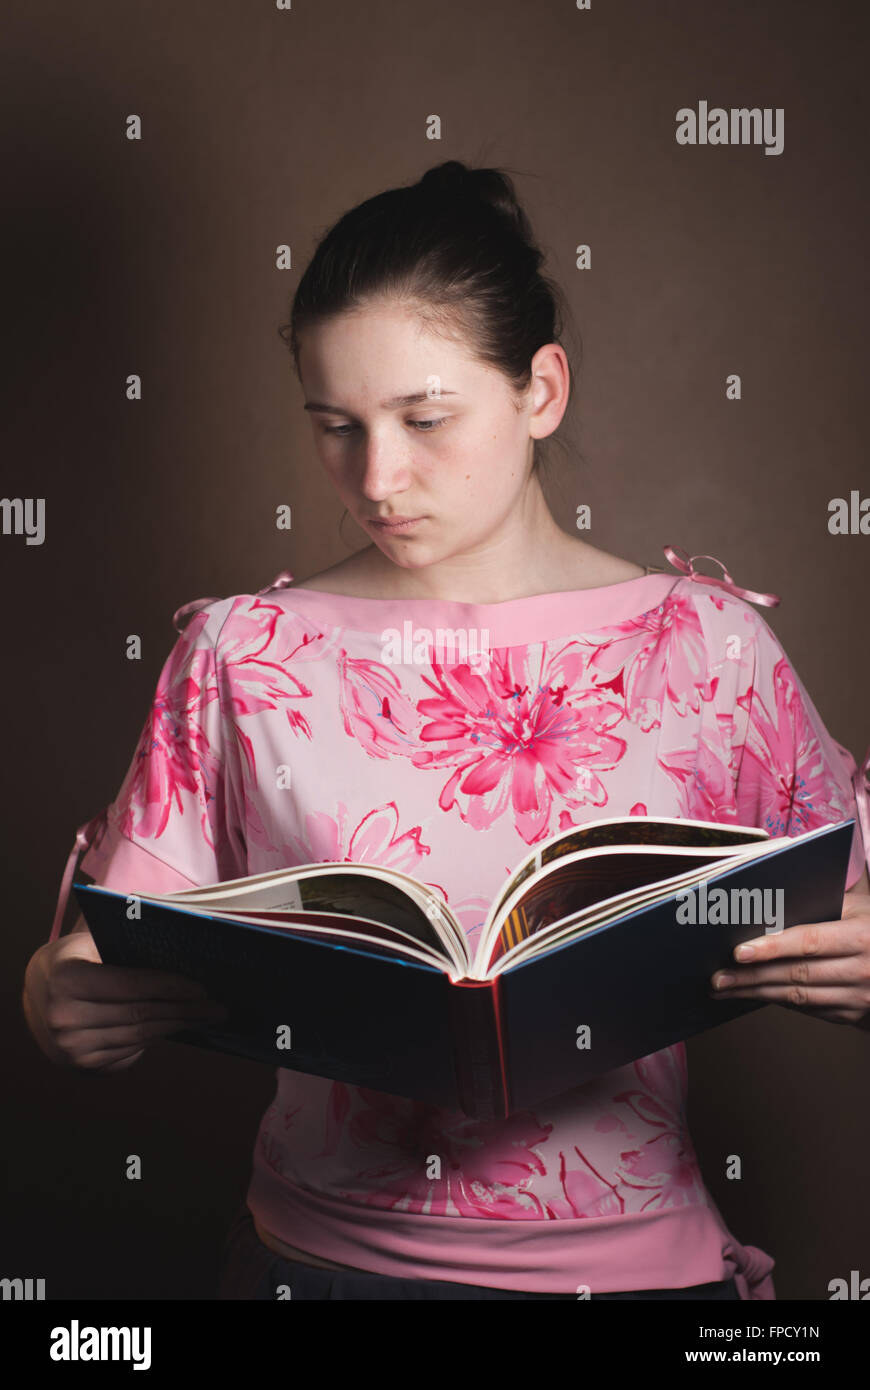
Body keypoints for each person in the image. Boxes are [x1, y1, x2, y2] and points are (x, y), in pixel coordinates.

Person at [24, 160, 870, 1302]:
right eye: (336, 426)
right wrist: (56, 999)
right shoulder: (241, 651)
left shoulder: (702, 642)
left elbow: (852, 894)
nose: (377, 477)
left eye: (425, 419)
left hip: (634, 1280)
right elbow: (95, 952)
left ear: (542, 390)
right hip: (316, 1267)